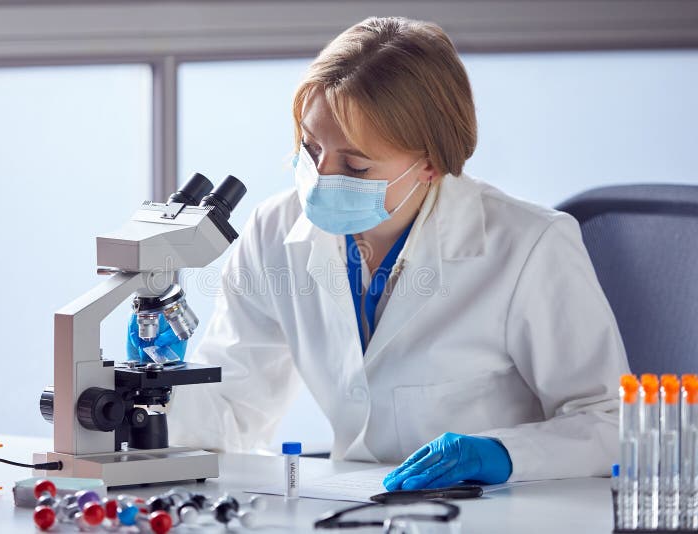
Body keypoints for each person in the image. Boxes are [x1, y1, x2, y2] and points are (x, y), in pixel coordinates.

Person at [128, 16, 629, 489]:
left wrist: (503, 454)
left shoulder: (529, 245)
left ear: (432, 163)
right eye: (311, 148)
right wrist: (157, 394)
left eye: (357, 166)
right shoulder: (274, 229)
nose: (321, 178)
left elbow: (613, 423)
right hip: (354, 504)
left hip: (499, 512)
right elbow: (236, 409)